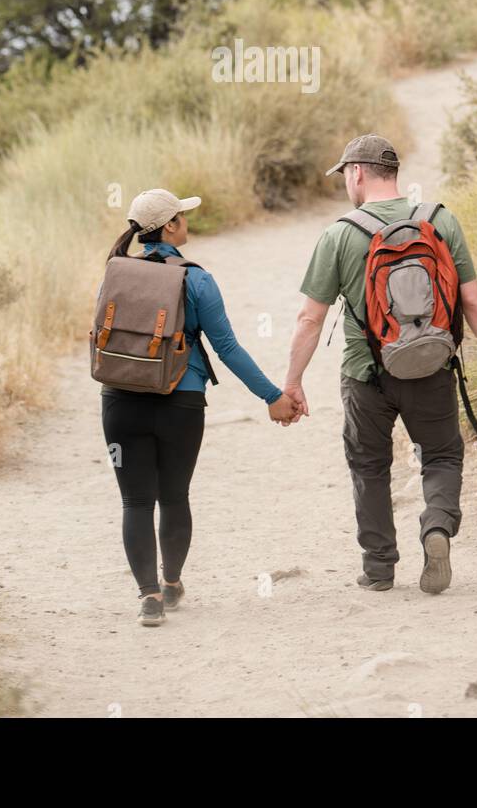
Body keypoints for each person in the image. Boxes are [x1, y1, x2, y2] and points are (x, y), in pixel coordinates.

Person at [282, 135, 477, 594]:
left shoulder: (340, 233)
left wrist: (293, 381)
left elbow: (311, 317)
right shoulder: (440, 220)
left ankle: (379, 568)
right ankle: (436, 529)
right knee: (443, 455)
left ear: (357, 173)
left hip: (366, 373)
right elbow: (472, 297)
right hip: (431, 364)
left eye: (345, 175)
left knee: (369, 465)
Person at [100, 187, 299, 627]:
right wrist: (273, 397)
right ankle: (171, 582)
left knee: (134, 502)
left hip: (119, 402)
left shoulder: (115, 273)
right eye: (182, 217)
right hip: (181, 401)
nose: (187, 223)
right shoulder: (197, 279)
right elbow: (226, 348)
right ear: (170, 226)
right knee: (173, 496)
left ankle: (148, 597)